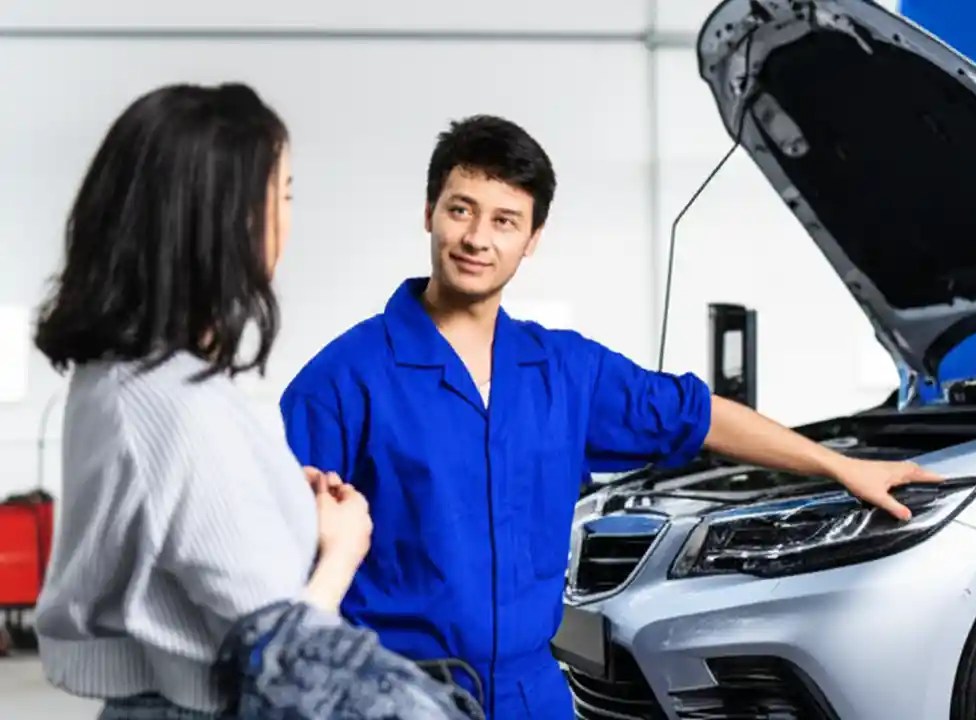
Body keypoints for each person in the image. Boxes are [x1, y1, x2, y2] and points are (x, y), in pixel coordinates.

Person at [279, 114, 942, 719]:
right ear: (430, 213)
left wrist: (841, 465)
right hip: (395, 696)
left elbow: (699, 415)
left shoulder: (565, 370)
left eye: (505, 220)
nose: (478, 238)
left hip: (531, 695)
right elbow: (274, 560)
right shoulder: (343, 380)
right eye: (462, 210)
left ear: (532, 238)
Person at [30, 82, 480, 720]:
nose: (288, 217)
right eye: (285, 192)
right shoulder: (176, 402)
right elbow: (281, 661)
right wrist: (342, 547)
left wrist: (271, 502)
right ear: (226, 216)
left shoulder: (116, 373)